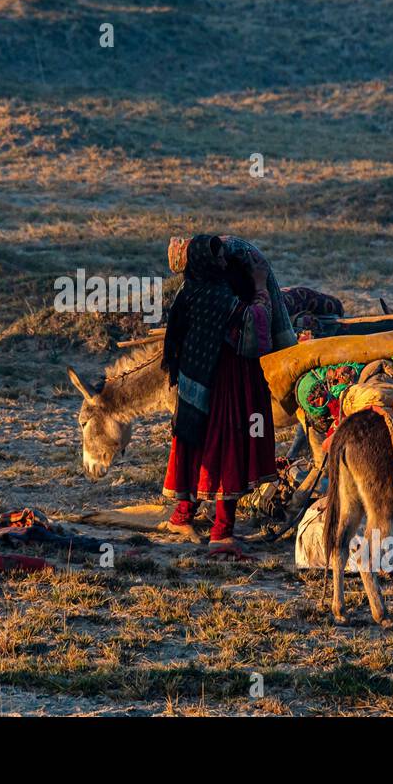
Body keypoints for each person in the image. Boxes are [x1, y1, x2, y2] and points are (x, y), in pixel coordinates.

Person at [159, 235, 281, 555]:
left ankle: (182, 514)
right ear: (208, 264)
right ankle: (221, 533)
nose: (224, 262)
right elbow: (258, 322)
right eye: (219, 259)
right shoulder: (219, 295)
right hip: (227, 378)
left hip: (194, 377)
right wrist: (259, 285)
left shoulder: (189, 289)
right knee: (228, 445)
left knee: (193, 439)